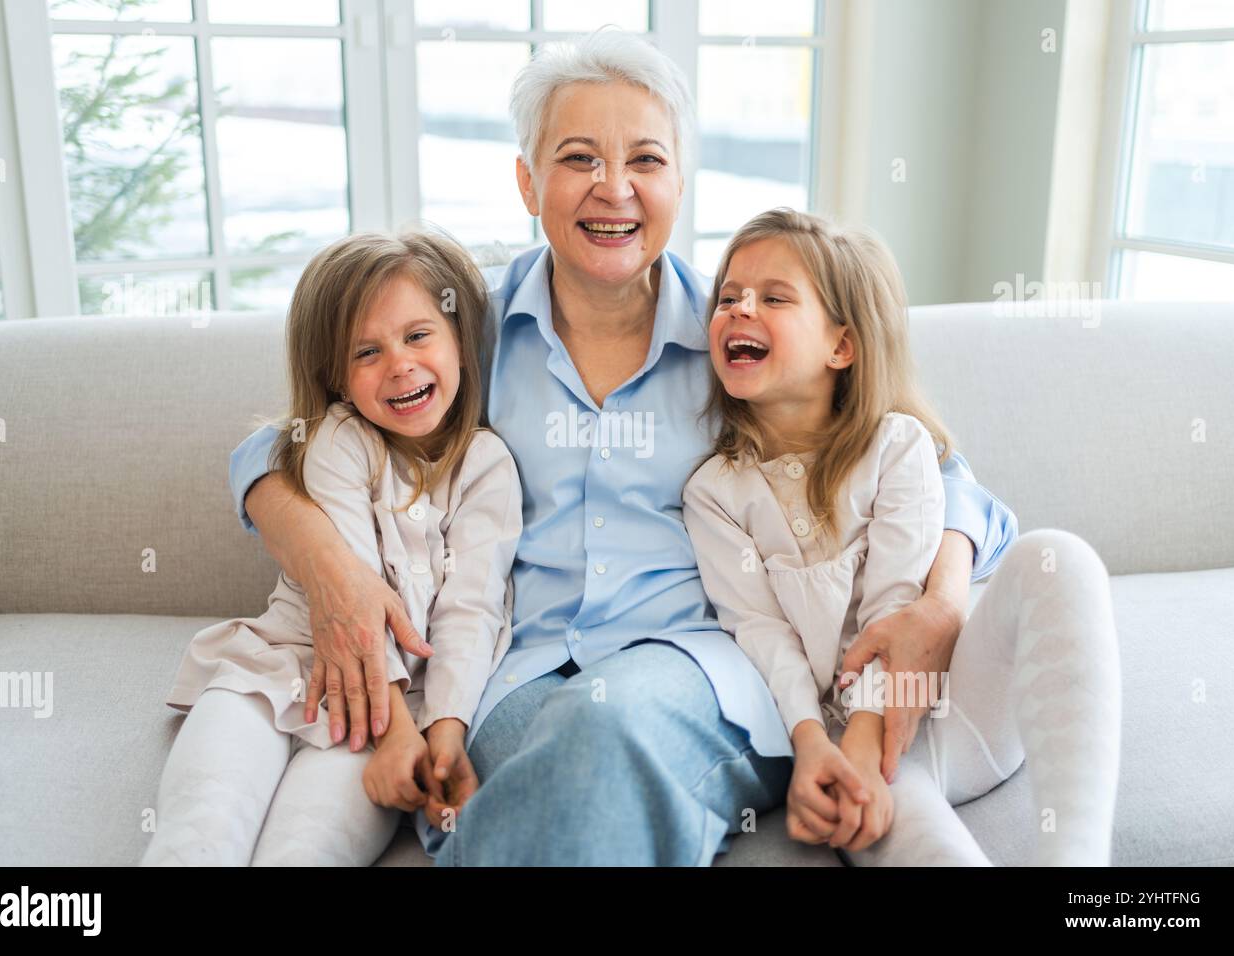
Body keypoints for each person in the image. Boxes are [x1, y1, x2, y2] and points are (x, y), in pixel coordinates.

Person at [226, 31, 1051, 866]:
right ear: (527, 181)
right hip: (510, 679)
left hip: (693, 675)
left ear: (680, 185)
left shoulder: (740, 337)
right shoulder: (465, 329)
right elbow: (270, 450)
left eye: (646, 161)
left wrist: (939, 605)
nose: (612, 189)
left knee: (602, 730)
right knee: (558, 776)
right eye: (578, 158)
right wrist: (337, 576)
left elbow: (938, 475)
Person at [683, 209, 1122, 865]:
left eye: (773, 297)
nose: (741, 309)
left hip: (953, 704)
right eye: (727, 298)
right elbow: (760, 634)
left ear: (842, 346)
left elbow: (894, 605)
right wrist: (819, 750)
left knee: (1059, 559)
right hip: (854, 743)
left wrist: (866, 735)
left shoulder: (897, 446)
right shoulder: (715, 493)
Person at [142, 230, 521, 865]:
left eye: (419, 335)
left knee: (306, 849)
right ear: (337, 379)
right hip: (276, 674)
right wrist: (402, 735)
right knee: (199, 830)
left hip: (377, 720)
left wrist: (442, 732)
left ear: (461, 340)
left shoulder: (488, 467)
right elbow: (356, 592)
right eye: (366, 351)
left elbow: (472, 608)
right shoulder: (341, 439)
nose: (399, 363)